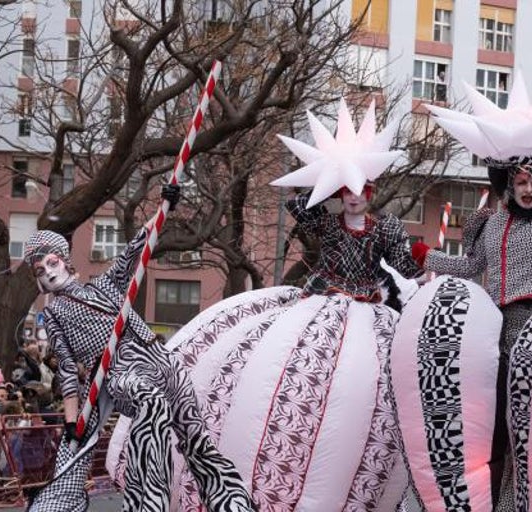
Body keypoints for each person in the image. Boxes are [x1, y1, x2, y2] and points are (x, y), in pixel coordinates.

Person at [140, 100, 424, 511]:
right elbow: (296, 208)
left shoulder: (386, 229)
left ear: (370, 192)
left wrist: (423, 258)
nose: (354, 198)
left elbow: (403, 265)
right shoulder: (326, 222)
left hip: (367, 308)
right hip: (323, 302)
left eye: (361, 189)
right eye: (347, 190)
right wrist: (322, 177)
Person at [22, 183, 254, 512]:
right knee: (150, 402)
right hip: (119, 370)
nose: (48, 272)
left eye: (51, 262)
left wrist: (163, 209)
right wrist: (72, 420)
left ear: (65, 261)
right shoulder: (55, 312)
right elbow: (68, 369)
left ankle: (232, 503)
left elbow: (133, 252)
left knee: (195, 435)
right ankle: (147, 504)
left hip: (158, 358)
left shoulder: (103, 285)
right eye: (40, 270)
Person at [413, 145, 532, 505]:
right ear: (509, 185)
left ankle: (522, 500)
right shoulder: (491, 224)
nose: (529, 190)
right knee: (494, 425)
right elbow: (469, 266)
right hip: (496, 328)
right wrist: (427, 257)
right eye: (522, 182)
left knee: (526, 424)